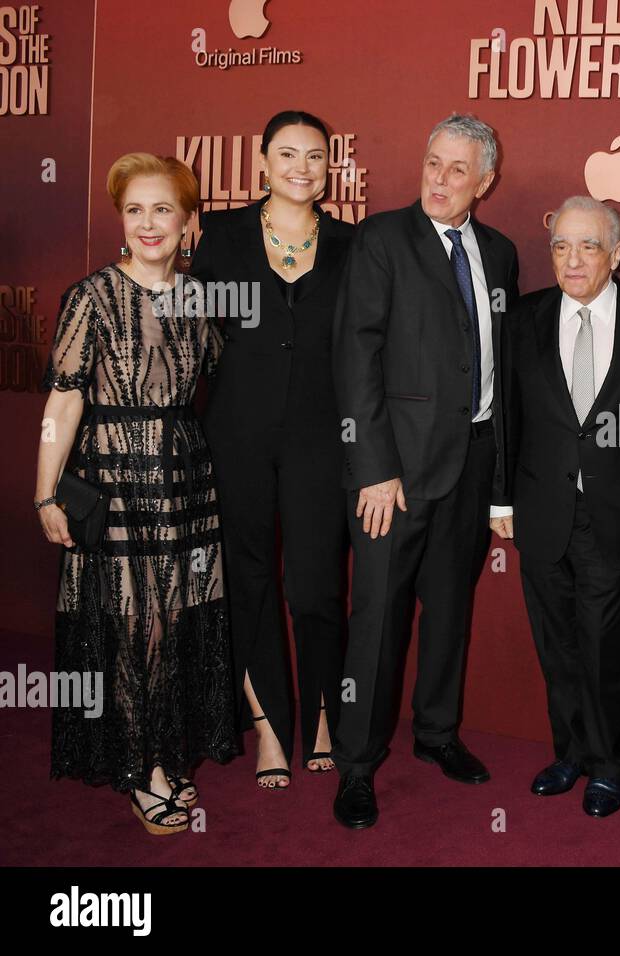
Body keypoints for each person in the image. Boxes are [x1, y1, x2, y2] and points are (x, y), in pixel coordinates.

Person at [34, 153, 236, 834]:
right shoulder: (89, 296)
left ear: (188, 221)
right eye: (134, 210)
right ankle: (141, 766)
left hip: (184, 481)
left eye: (162, 210)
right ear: (121, 220)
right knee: (131, 623)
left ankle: (164, 750)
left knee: (177, 619)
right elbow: (62, 404)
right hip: (114, 481)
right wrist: (44, 496)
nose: (148, 223)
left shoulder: (201, 297)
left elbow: (227, 382)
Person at [330, 113, 519, 829]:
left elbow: (497, 376)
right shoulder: (383, 239)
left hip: (470, 464)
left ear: (486, 182)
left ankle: (436, 733)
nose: (438, 180)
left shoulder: (498, 253)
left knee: (450, 611)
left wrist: (499, 483)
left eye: (456, 170)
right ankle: (356, 763)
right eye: (432, 162)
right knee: (377, 618)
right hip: (395, 472)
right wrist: (373, 467)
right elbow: (356, 355)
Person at [490, 196, 620, 818]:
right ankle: (567, 751)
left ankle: (606, 763)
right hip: (541, 510)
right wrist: (499, 499)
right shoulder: (522, 320)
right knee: (557, 644)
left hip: (616, 514)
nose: (571, 259)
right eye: (561, 245)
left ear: (616, 254)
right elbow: (504, 419)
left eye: (588, 245)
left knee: (605, 645)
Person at [190, 110, 354, 789]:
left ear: (330, 166)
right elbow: (191, 337)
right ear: (261, 162)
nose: (301, 167)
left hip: (324, 436)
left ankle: (319, 718)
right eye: (287, 154)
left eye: (315, 156)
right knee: (248, 580)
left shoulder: (353, 243)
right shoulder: (223, 234)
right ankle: (265, 728)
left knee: (316, 583)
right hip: (237, 433)